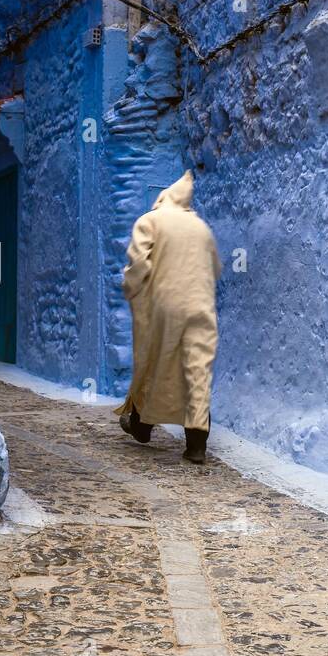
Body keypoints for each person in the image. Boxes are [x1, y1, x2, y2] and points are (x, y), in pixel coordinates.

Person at [115, 170, 222, 463]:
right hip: (201, 306)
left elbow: (138, 266)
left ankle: (141, 426)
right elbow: (214, 267)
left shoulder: (150, 221)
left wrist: (132, 290)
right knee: (195, 371)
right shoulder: (201, 227)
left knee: (155, 365)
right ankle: (197, 445)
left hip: (163, 305)